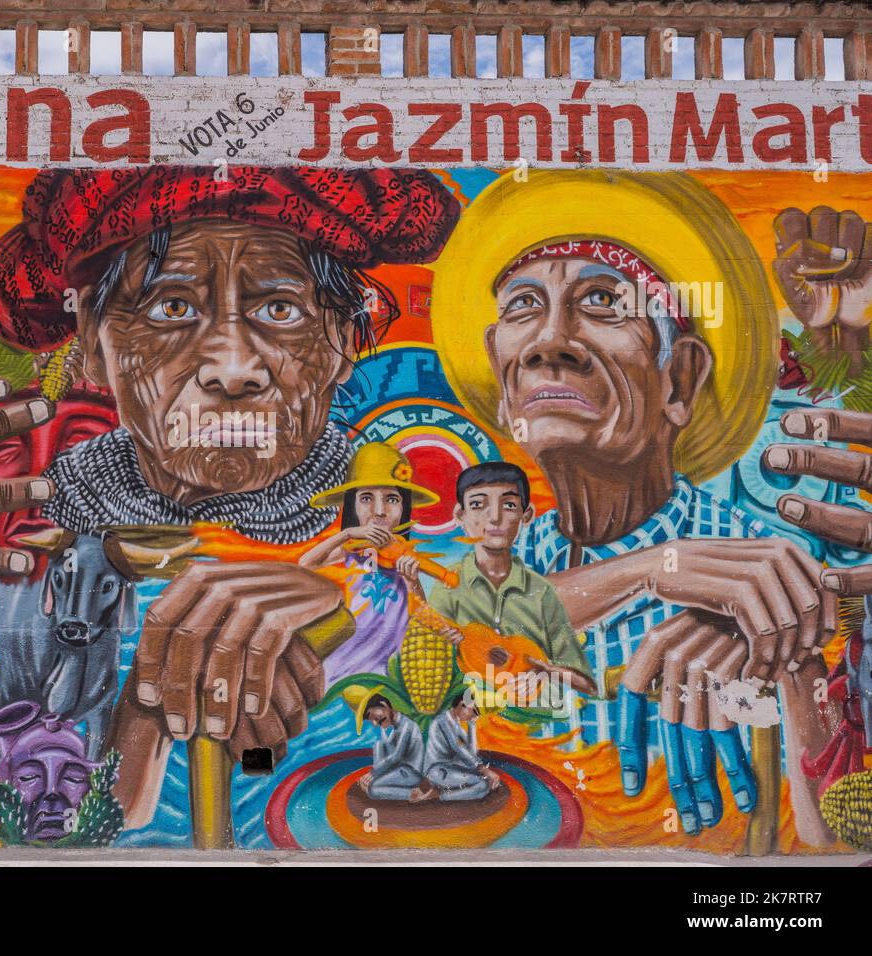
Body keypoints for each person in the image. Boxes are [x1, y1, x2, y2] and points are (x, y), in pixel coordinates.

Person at [0, 165, 462, 826]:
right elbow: (71, 821)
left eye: (280, 310)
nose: (233, 368)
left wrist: (338, 611)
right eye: (172, 308)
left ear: (342, 341)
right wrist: (151, 709)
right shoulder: (46, 546)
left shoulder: (379, 509)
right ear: (94, 344)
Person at [430, 170, 834, 839]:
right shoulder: (500, 555)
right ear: (506, 390)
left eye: (603, 301)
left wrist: (779, 655)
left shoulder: (757, 564)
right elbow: (438, 641)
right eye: (523, 307)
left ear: (680, 380)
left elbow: (835, 839)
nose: (547, 342)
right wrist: (648, 571)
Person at [426, 461, 597, 703]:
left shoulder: (540, 591)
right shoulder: (448, 586)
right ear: (460, 515)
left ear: (526, 515)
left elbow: (586, 683)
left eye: (508, 505)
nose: (494, 517)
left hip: (538, 726)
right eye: (477, 504)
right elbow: (427, 673)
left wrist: (545, 671)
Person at [300, 442, 437, 684]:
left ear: (405, 507)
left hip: (394, 661)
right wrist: (347, 534)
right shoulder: (354, 548)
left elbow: (423, 618)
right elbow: (306, 565)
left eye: (391, 499)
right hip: (350, 655)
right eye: (366, 498)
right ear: (352, 505)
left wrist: (412, 581)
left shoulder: (407, 555)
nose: (379, 511)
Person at [411, 697, 501, 803]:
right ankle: (439, 795)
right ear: (461, 705)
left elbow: (471, 753)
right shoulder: (443, 720)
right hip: (438, 771)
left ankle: (440, 793)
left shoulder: (456, 725)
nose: (473, 714)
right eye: (472, 710)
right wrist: (485, 770)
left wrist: (472, 725)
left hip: (452, 769)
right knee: (482, 785)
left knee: (484, 784)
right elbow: (459, 748)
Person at [347, 689, 425, 801]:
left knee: (373, 789)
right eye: (371, 721)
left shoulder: (407, 725)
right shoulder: (395, 727)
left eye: (372, 716)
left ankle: (411, 794)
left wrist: (374, 773)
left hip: (410, 772)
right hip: (399, 769)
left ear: (384, 705)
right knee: (378, 745)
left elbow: (397, 755)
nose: (374, 723)